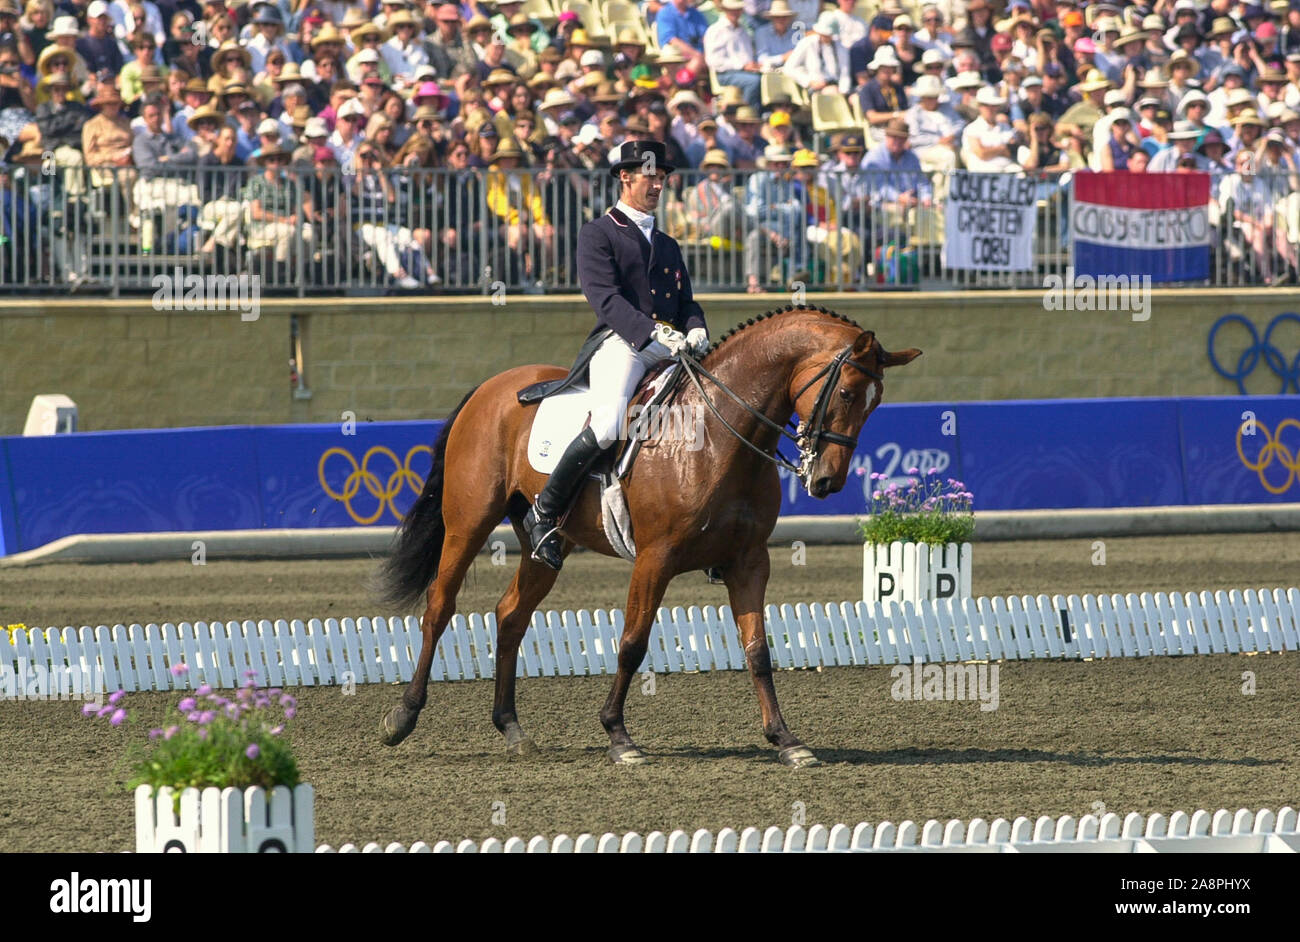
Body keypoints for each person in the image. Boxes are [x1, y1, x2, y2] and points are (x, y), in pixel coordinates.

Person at [522, 139, 708, 571]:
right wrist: (652, 330)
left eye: (662, 178)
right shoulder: (598, 233)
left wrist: (696, 326)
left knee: (708, 410)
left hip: (670, 345)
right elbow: (605, 299)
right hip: (622, 343)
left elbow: (687, 301)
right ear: (626, 177)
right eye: (650, 177)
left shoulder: (667, 244)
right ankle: (545, 512)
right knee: (608, 423)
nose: (658, 185)